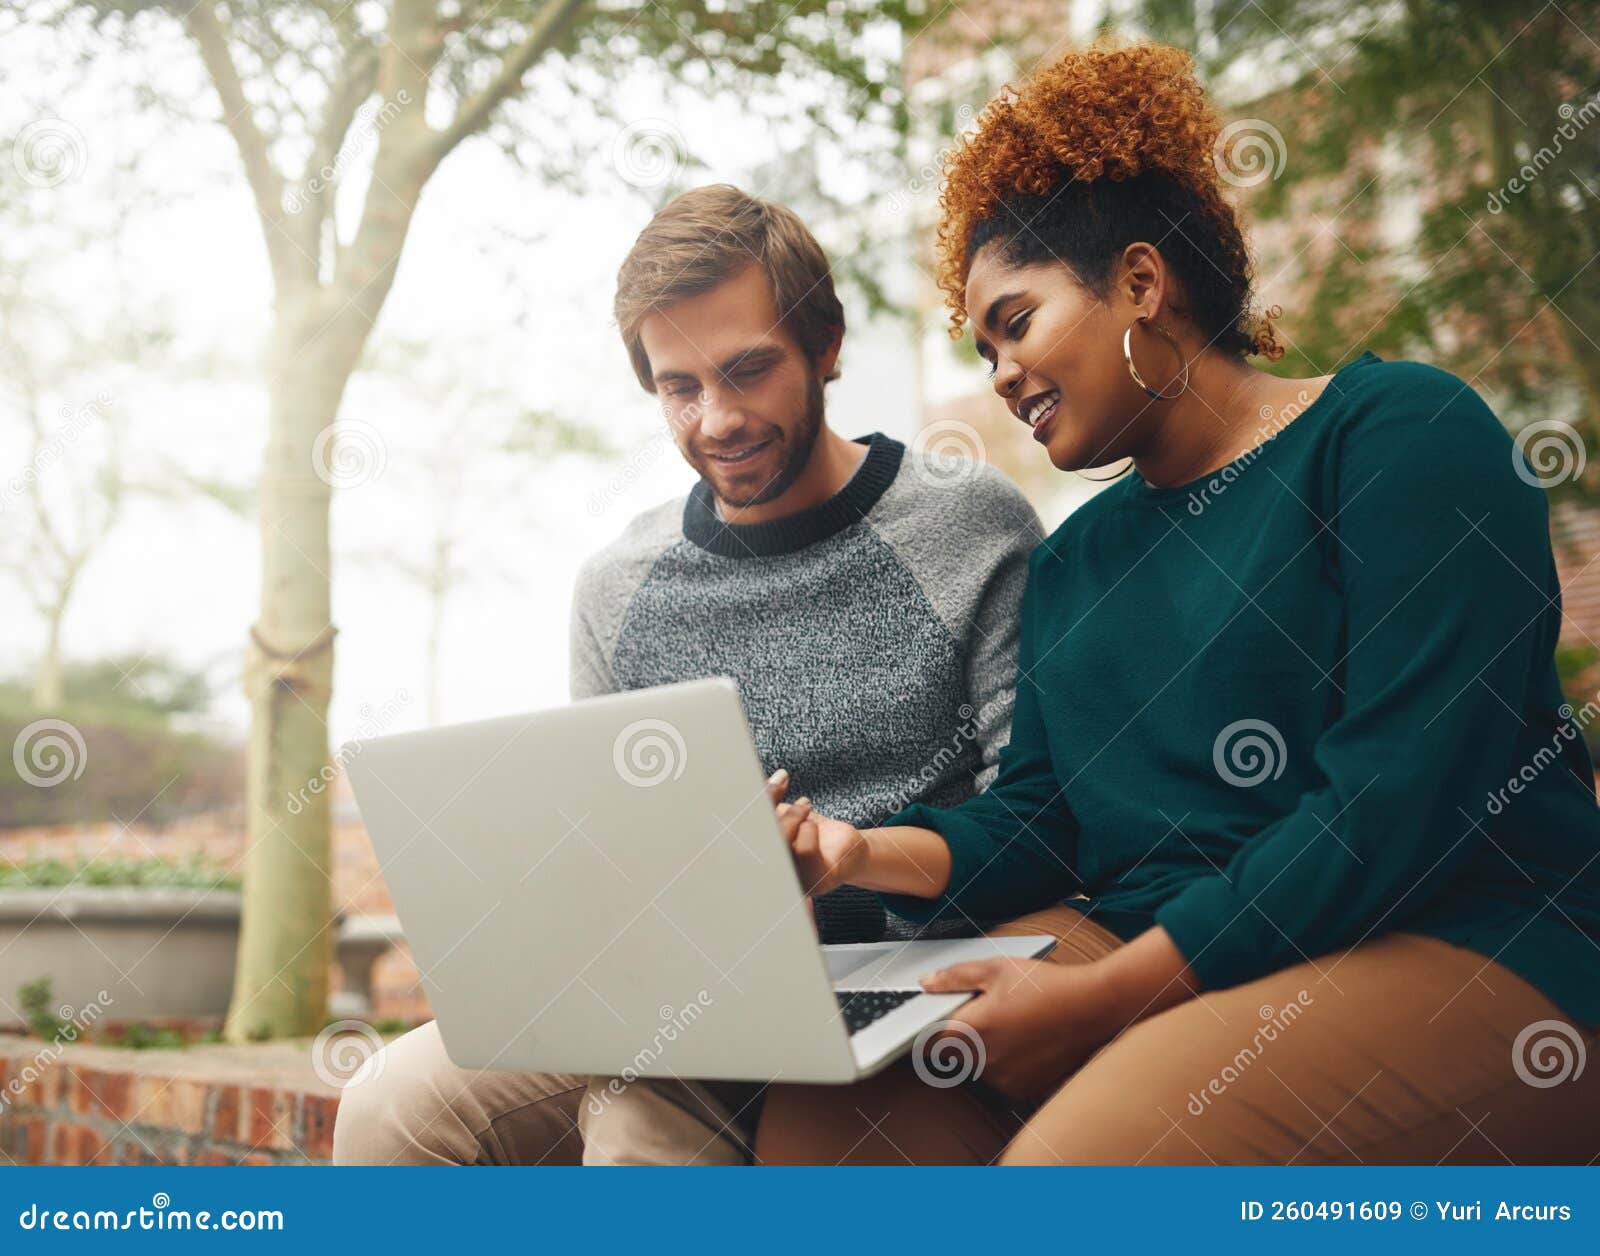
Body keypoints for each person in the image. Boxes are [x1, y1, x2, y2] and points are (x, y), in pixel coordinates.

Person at [753, 43, 1600, 1166]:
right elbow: (1041, 820)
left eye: (1016, 320)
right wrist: (853, 852)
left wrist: (1107, 1000)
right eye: (982, 347)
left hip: (1458, 936)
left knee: (1081, 1170)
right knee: (829, 1126)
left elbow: (1394, 802)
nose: (998, 372)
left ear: (1142, 284)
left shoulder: (1400, 434)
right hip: (1154, 941)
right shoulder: (1075, 560)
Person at [332, 184, 1044, 1165]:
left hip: (906, 974)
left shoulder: (968, 524)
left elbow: (1036, 823)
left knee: (637, 1129)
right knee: (387, 1106)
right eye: (679, 387)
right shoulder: (617, 584)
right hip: (686, 993)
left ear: (826, 346)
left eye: (749, 370)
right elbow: (605, 865)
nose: (718, 418)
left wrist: (839, 880)